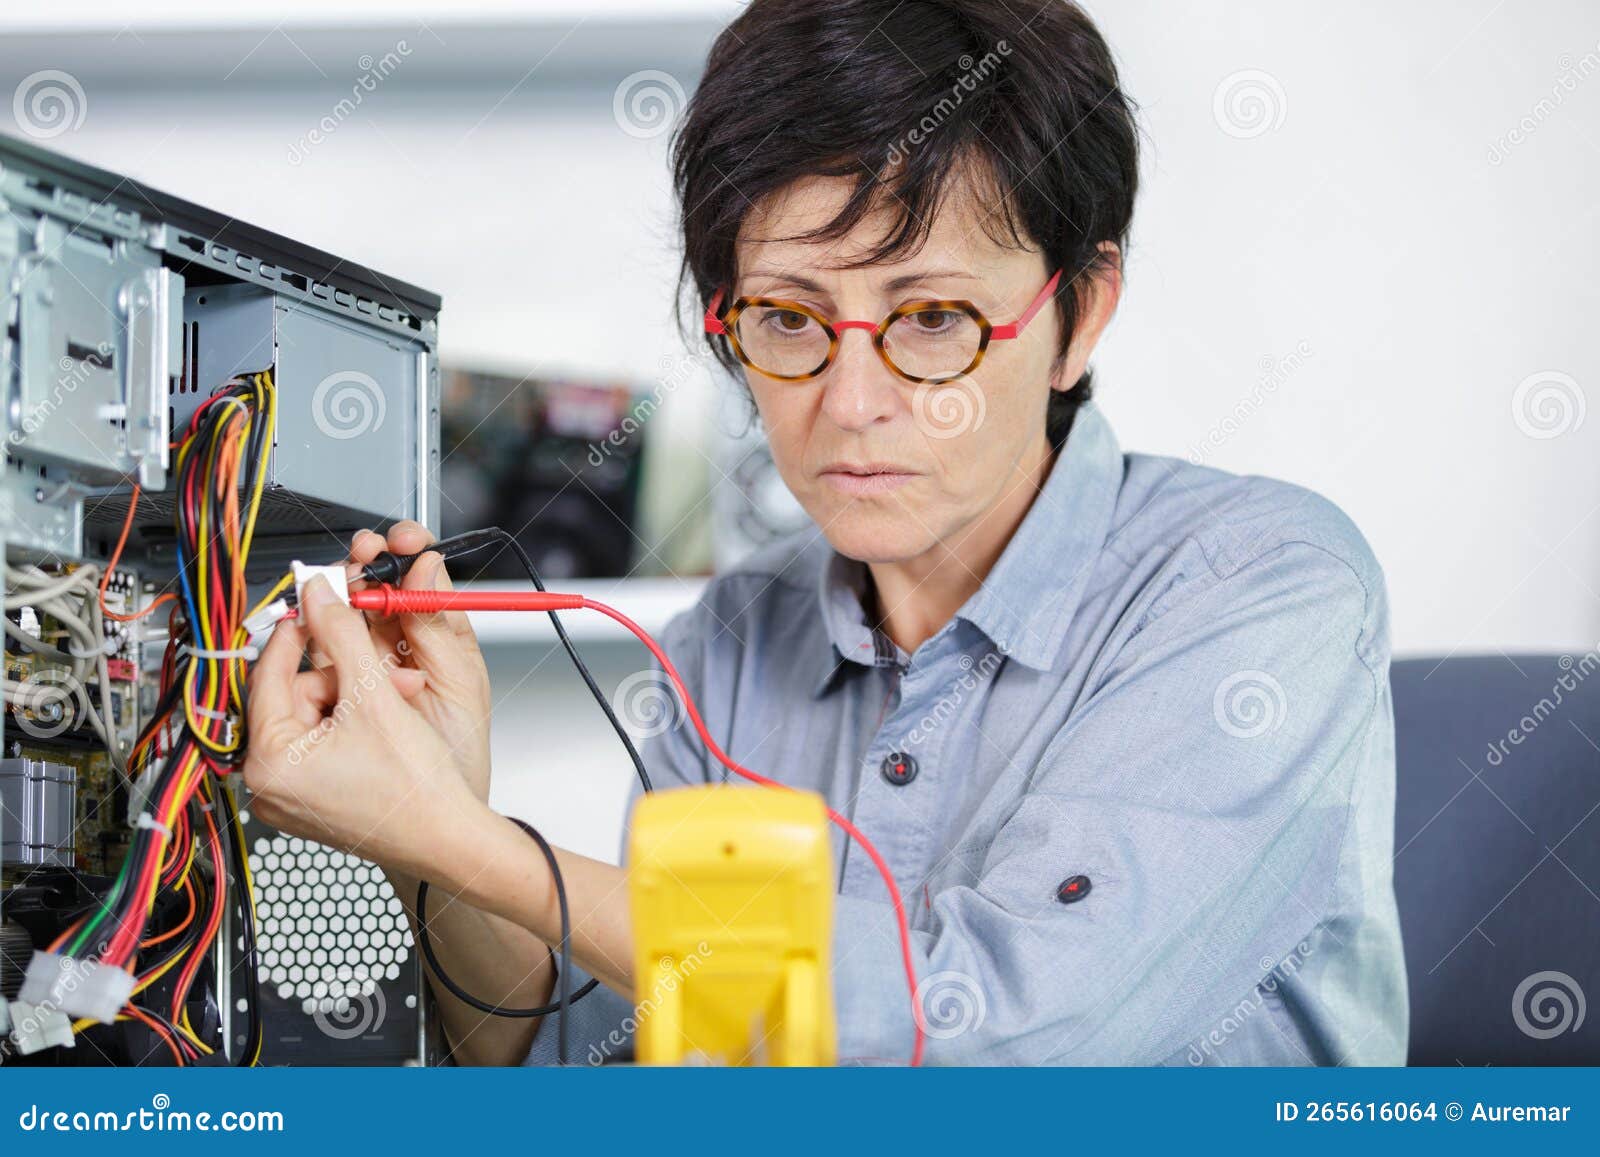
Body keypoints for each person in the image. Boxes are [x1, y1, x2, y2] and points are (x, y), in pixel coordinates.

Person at [245, 0, 1408, 1066]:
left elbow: (1001, 1048)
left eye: (934, 317)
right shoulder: (734, 644)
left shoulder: (1260, 585)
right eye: (791, 319)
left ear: (1079, 313)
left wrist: (470, 841)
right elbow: (621, 1066)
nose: (849, 401)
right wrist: (445, 827)